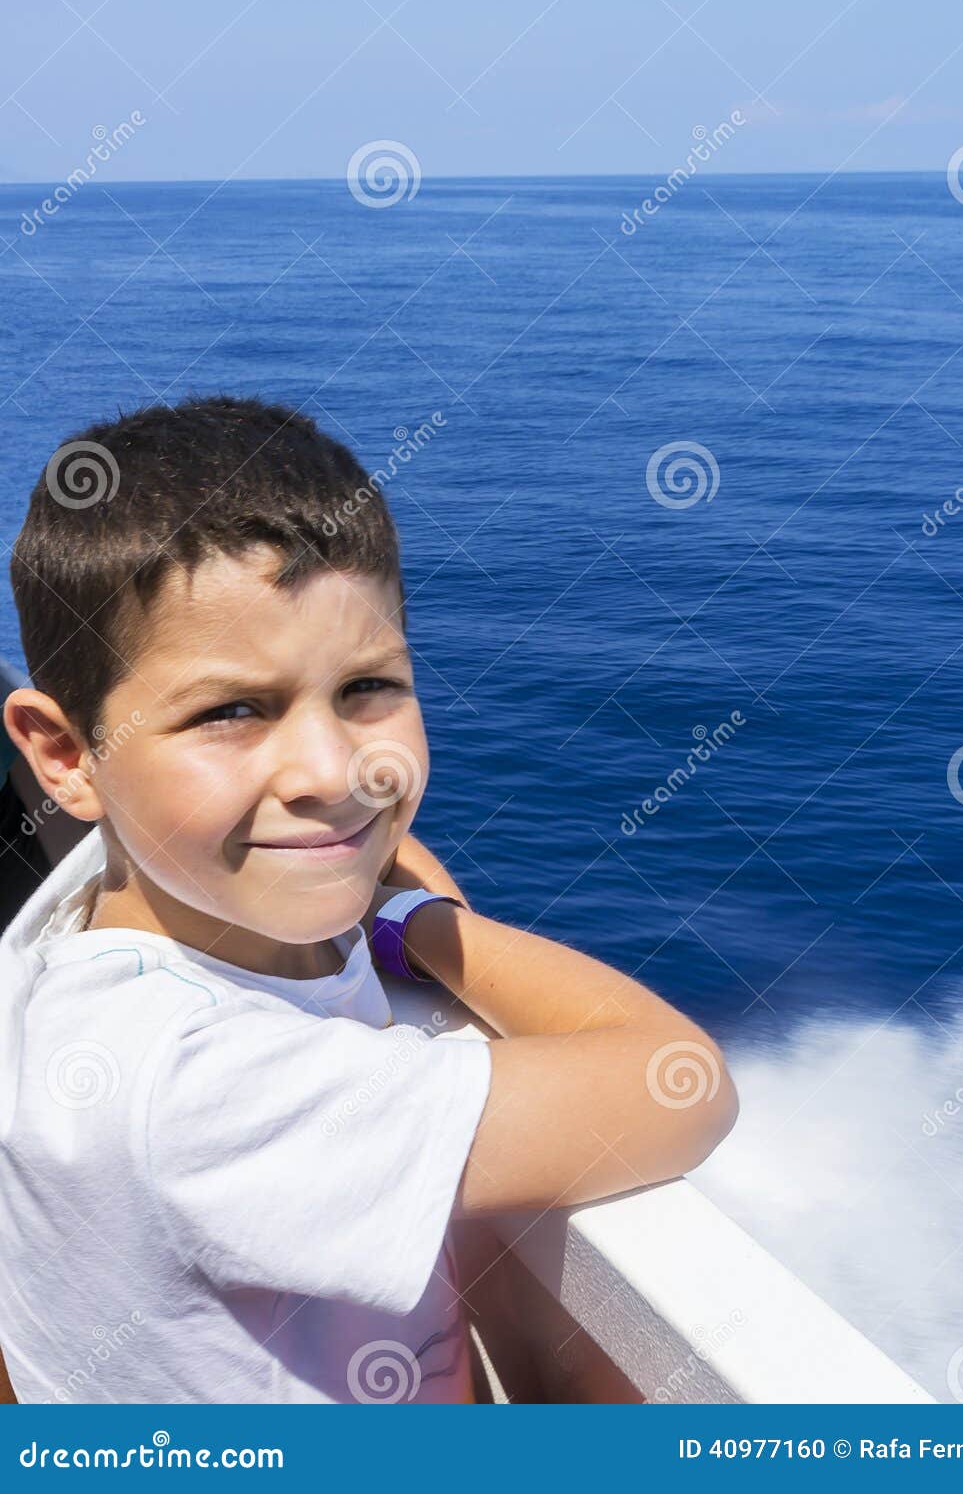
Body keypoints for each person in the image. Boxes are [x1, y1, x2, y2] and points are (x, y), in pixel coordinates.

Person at [0, 395, 736, 1405]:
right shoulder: (203, 1090)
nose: (331, 769)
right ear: (64, 753)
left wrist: (364, 875)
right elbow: (679, 1084)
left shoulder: (89, 905)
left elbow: (376, 836)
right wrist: (412, 925)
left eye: (366, 689)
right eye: (231, 712)